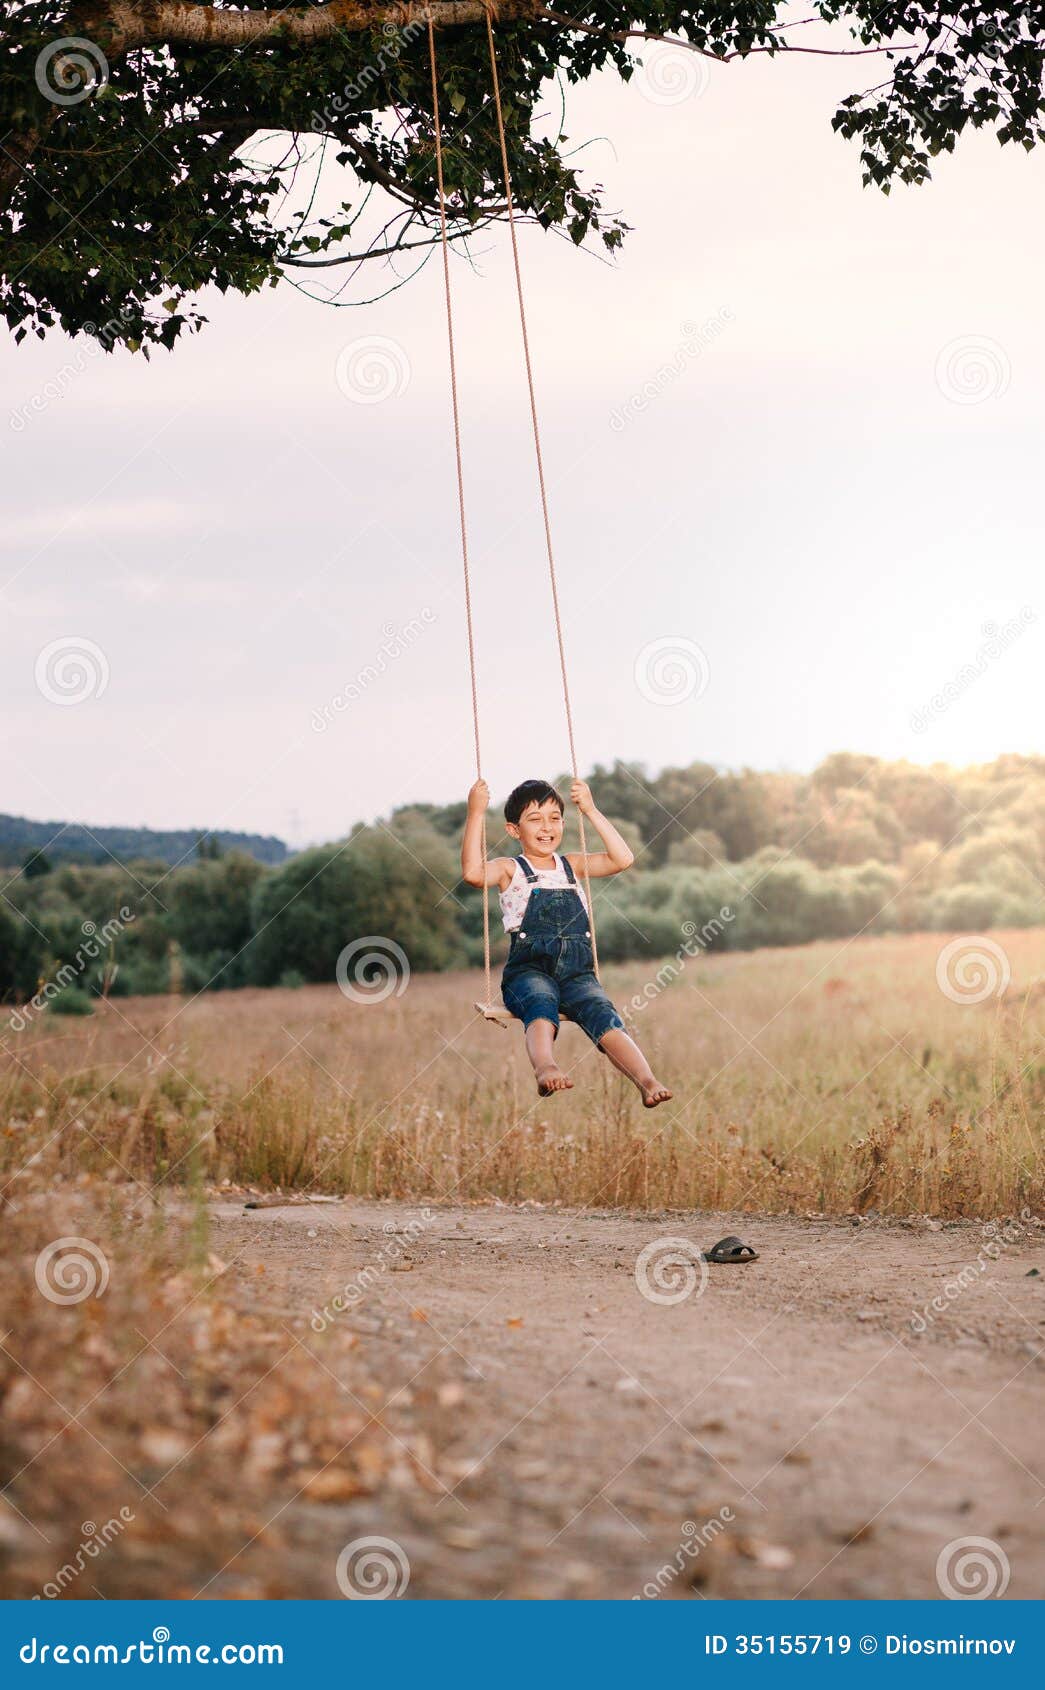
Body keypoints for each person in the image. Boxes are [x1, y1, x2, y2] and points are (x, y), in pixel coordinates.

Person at [461, 776, 672, 1105]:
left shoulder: (571, 865)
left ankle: (646, 1080)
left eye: (555, 818)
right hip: (529, 970)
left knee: (603, 1013)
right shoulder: (509, 869)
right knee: (540, 1001)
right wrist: (475, 812)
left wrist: (591, 810)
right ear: (514, 830)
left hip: (577, 973)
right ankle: (545, 1067)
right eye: (535, 819)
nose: (547, 826)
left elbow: (622, 859)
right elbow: (473, 873)